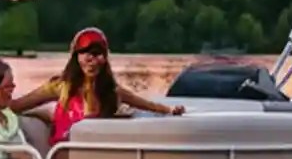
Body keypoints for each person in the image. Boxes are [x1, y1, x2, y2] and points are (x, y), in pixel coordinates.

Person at [11, 26, 185, 151]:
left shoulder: (112, 91)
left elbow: (146, 104)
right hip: (65, 151)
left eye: (98, 54)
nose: (92, 60)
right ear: (76, 57)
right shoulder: (61, 86)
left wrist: (169, 110)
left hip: (97, 153)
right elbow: (19, 105)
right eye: (87, 53)